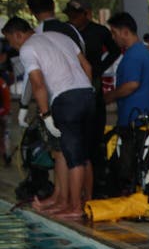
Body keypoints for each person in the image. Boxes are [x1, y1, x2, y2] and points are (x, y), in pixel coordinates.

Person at [3, 17, 95, 220]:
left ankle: (75, 207)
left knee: (74, 157)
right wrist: (83, 93)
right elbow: (87, 67)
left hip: (65, 99)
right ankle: (64, 200)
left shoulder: (27, 49)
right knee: (70, 152)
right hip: (87, 94)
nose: (12, 46)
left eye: (10, 40)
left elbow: (38, 84)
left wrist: (45, 115)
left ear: (18, 35)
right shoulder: (60, 37)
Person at [22, 0, 87, 213]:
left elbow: (35, 80)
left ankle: (71, 204)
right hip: (83, 93)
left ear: (31, 11)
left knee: (65, 154)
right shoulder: (70, 30)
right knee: (79, 153)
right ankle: (65, 199)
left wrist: (28, 107)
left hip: (60, 98)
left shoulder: (37, 36)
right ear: (53, 5)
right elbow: (83, 63)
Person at [64, 0, 121, 196]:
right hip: (71, 86)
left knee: (95, 136)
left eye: (76, 15)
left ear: (87, 14)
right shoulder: (65, 31)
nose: (72, 19)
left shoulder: (99, 31)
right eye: (70, 15)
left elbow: (115, 51)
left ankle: (97, 184)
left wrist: (99, 68)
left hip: (92, 85)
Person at [104, 12, 149, 128]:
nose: (113, 37)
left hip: (134, 118)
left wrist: (108, 97)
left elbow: (131, 85)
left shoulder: (133, 55)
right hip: (144, 116)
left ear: (125, 32)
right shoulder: (143, 51)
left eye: (114, 33)